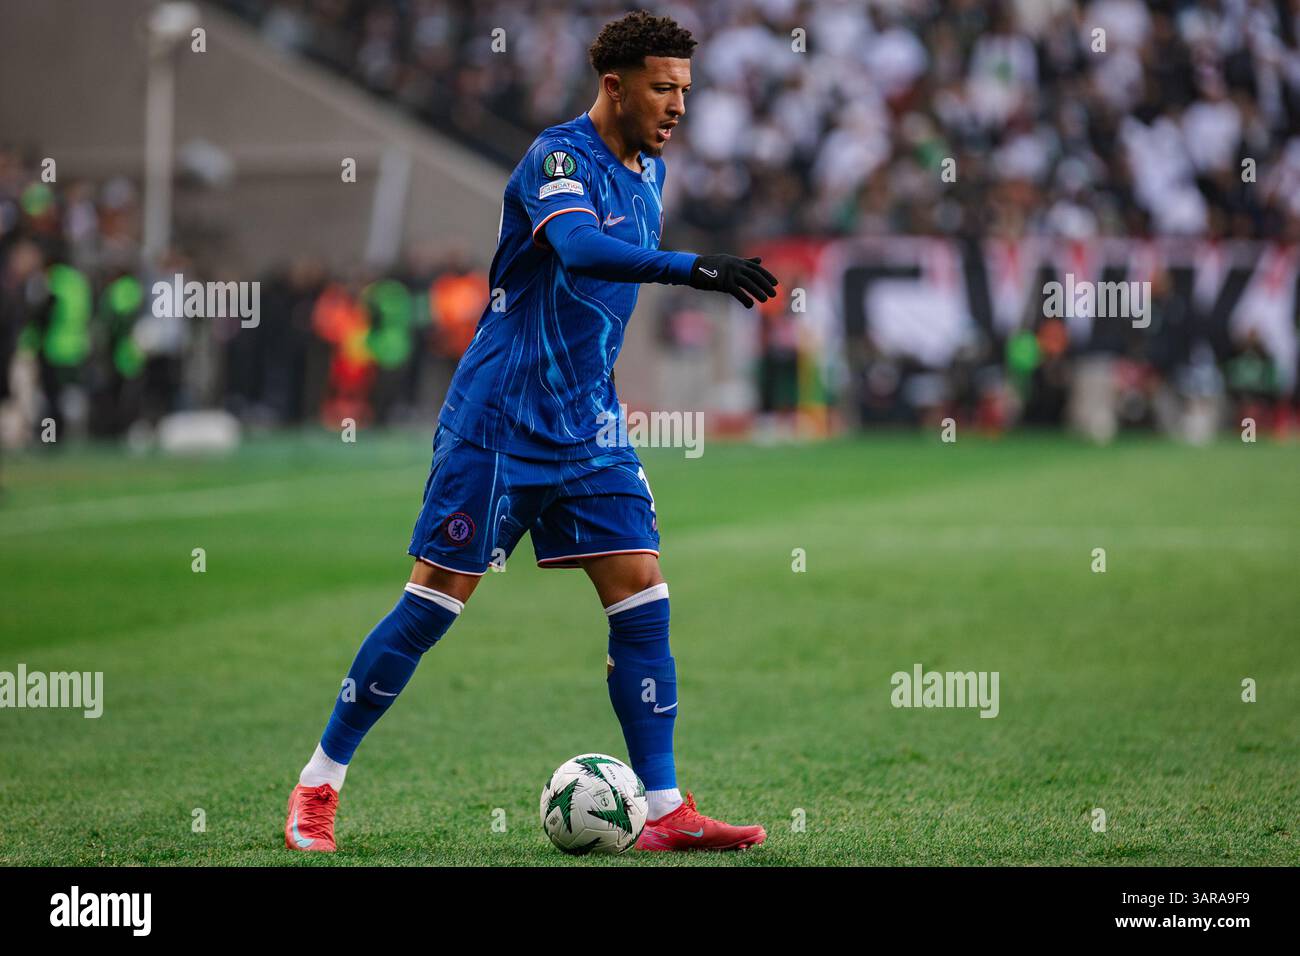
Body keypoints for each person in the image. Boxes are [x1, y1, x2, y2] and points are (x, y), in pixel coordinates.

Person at [284, 11, 778, 853]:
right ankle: (318, 785)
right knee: (433, 603)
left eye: (686, 90)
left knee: (642, 592)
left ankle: (661, 810)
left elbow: (597, 303)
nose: (679, 106)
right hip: (499, 419)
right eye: (664, 88)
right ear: (615, 86)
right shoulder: (557, 158)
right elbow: (581, 251)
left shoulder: (649, 172)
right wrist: (692, 266)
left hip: (588, 423)